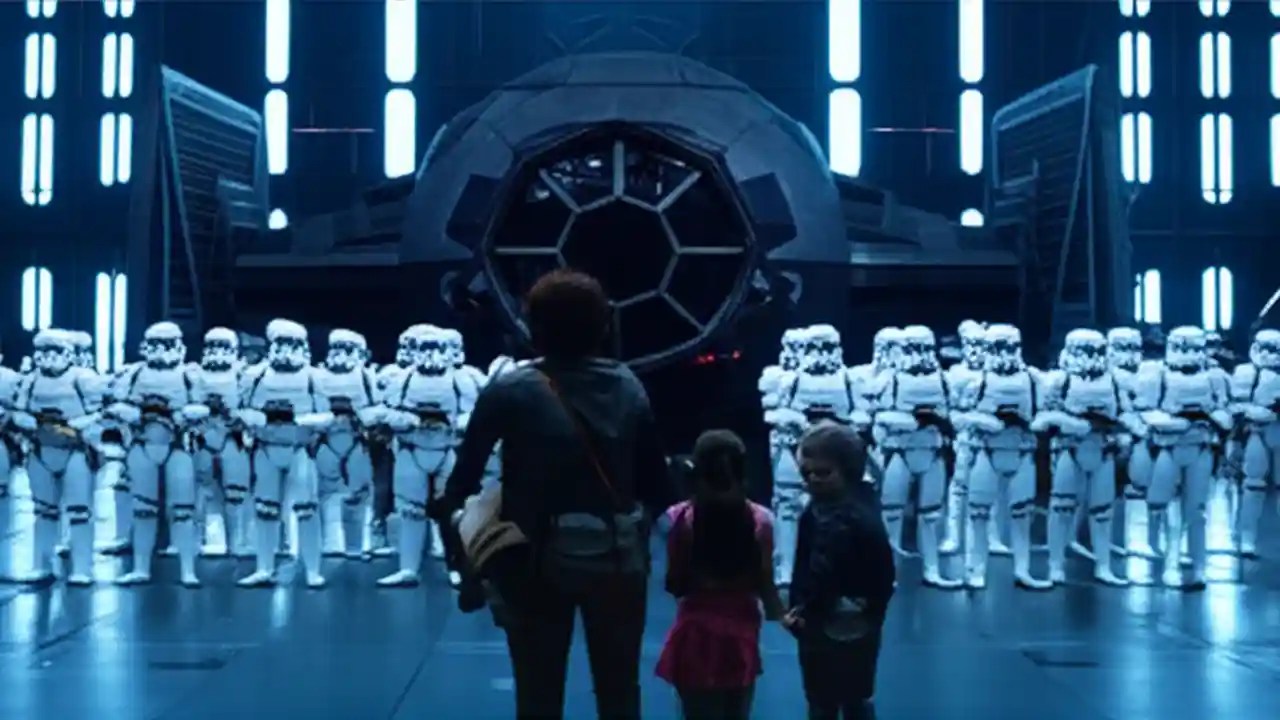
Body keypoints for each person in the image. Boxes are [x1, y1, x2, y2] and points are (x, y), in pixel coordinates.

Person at [433, 269, 673, 719]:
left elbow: (460, 487)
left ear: (532, 326)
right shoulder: (627, 386)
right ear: (604, 324)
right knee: (620, 690)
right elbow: (656, 485)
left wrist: (465, 562)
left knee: (537, 693)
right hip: (617, 557)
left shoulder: (509, 390)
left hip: (531, 562)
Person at [656, 430, 785, 720]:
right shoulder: (761, 520)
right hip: (742, 634)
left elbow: (675, 583)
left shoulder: (679, 518)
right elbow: (764, 578)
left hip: (695, 632)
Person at [787, 422, 896, 720]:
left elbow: (883, 573)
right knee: (823, 699)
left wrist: (870, 610)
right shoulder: (818, 509)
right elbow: (803, 562)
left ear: (848, 470)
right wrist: (798, 605)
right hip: (818, 621)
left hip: (849, 621)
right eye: (806, 473)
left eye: (823, 473)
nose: (812, 480)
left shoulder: (859, 518)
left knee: (850, 699)